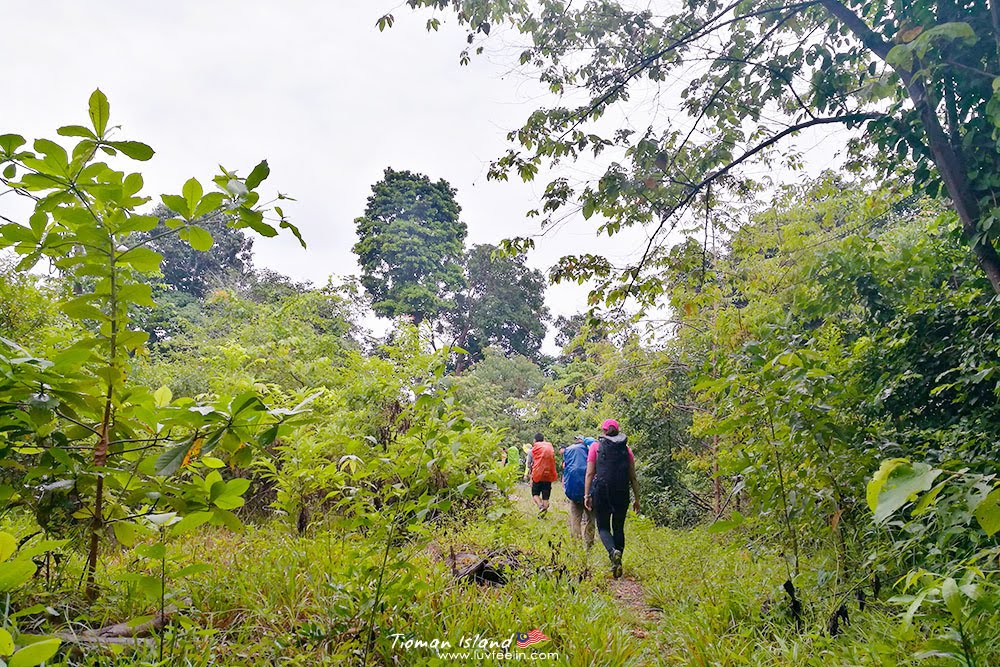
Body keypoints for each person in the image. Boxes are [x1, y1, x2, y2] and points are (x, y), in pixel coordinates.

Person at [584, 419, 640, 578]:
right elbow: (633, 477)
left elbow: (590, 473)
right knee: (618, 527)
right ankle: (618, 561)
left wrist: (587, 495)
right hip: (622, 491)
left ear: (603, 431)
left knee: (603, 527)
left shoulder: (595, 447)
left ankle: (612, 552)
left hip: (602, 490)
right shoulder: (626, 449)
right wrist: (637, 499)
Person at [562, 435, 595, 548]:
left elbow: (565, 469)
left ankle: (577, 545)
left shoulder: (568, 451)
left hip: (574, 491)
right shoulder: (590, 450)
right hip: (589, 492)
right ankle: (589, 544)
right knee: (591, 518)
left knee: (576, 518)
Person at [528, 433, 558, 518]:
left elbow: (529, 465)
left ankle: (541, 506)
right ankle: (542, 515)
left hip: (537, 475)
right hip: (548, 476)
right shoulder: (548, 449)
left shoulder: (532, 450)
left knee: (535, 494)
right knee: (546, 498)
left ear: (535, 440)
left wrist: (530, 476)